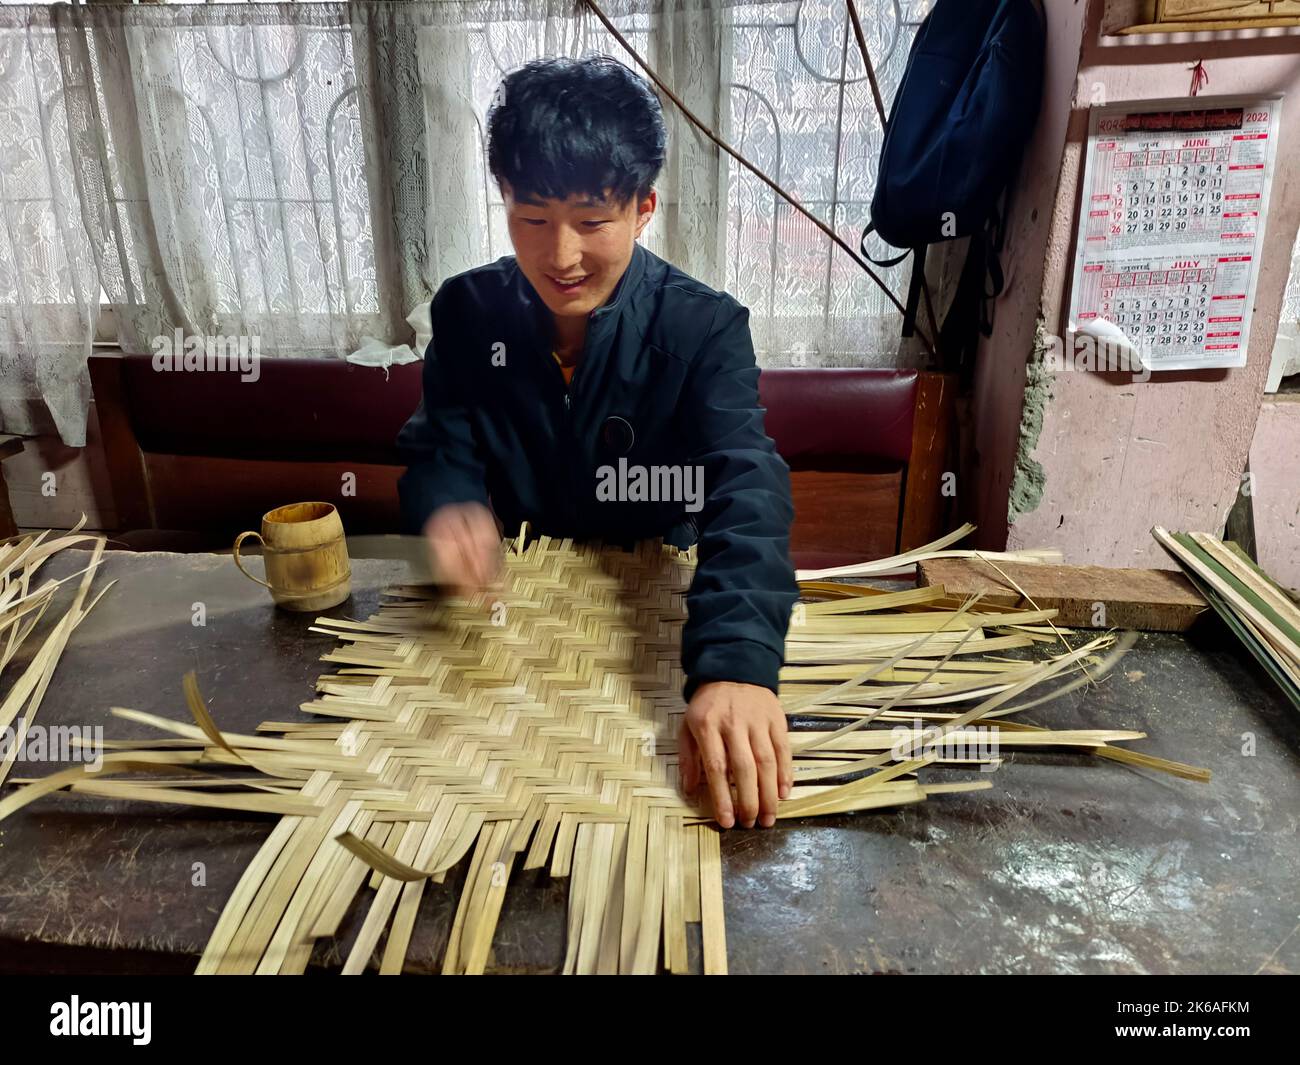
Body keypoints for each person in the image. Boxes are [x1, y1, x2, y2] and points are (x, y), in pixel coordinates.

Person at [397, 55, 798, 830]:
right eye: (533, 218)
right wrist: (447, 507)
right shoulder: (468, 312)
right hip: (508, 634)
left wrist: (737, 662)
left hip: (645, 623)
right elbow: (437, 444)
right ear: (504, 201)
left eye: (591, 220)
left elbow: (746, 482)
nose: (561, 255)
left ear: (644, 206)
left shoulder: (704, 328)